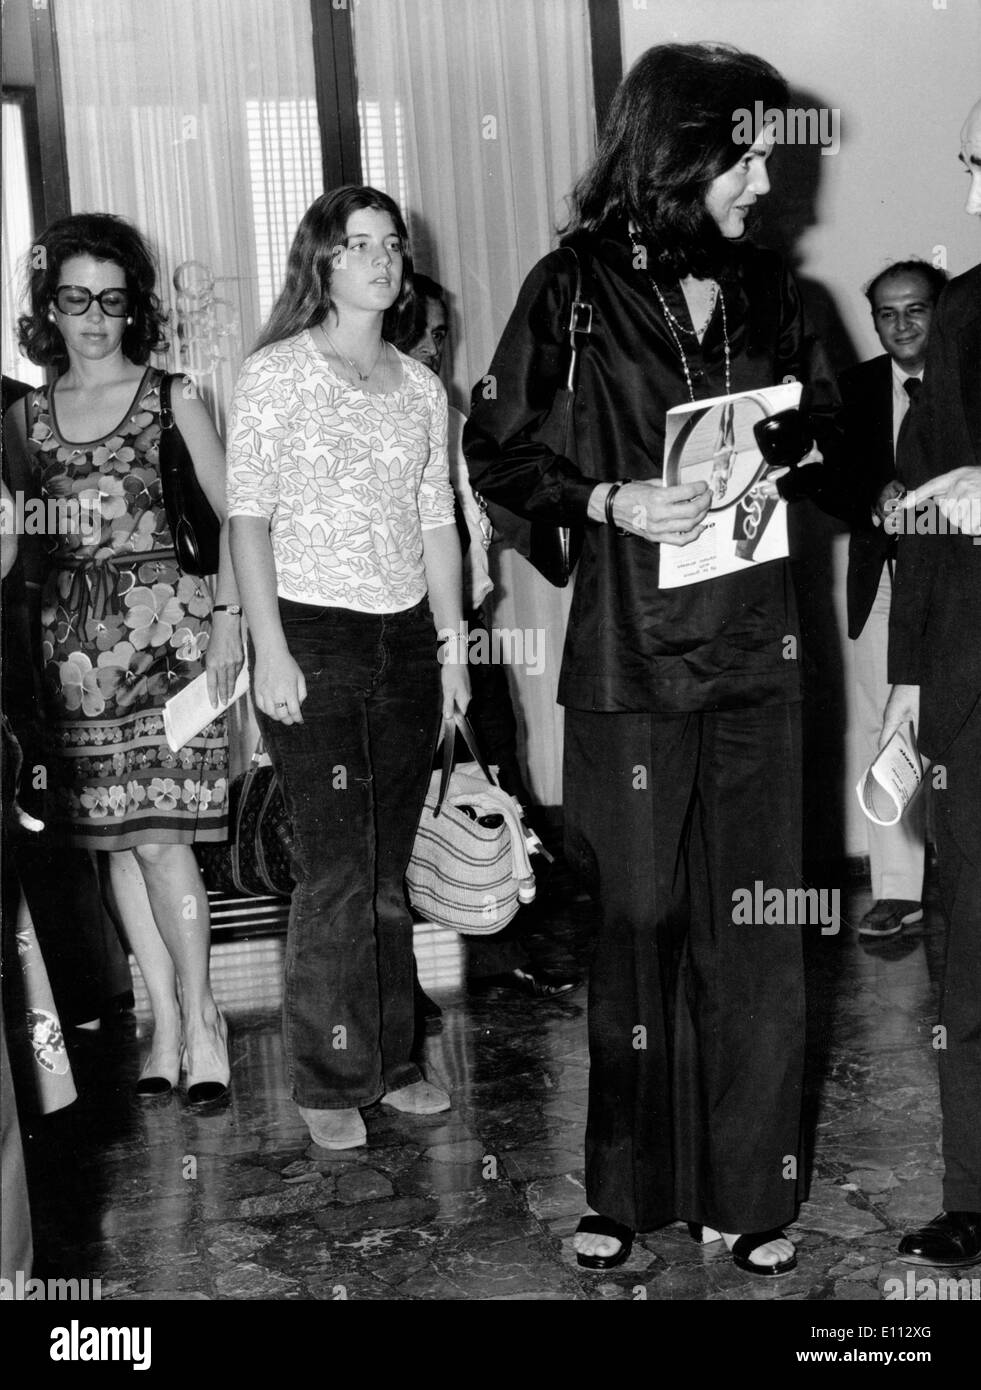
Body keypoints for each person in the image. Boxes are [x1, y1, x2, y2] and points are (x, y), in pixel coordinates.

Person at [466, 42, 843, 1276]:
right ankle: (625, 1192)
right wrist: (613, 500)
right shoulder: (572, 284)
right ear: (681, 152)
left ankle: (751, 1196)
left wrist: (786, 452)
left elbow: (837, 431)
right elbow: (504, 454)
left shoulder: (779, 295)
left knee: (755, 929)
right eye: (745, 157)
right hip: (630, 655)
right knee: (636, 920)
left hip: (756, 655)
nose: (764, 184)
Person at [226, 187, 469, 1152]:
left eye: (390, 244)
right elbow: (247, 517)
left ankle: (396, 1061)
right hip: (312, 637)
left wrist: (453, 650)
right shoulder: (277, 374)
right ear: (321, 263)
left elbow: (437, 522)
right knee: (335, 870)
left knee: (386, 872)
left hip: (405, 638)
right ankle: (331, 1078)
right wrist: (269, 646)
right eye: (356, 245)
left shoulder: (420, 388)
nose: (379, 259)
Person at [6, 213, 241, 1103]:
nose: (96, 318)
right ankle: (166, 1023)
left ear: (130, 306)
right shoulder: (25, 418)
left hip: (172, 644)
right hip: (72, 660)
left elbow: (238, 519)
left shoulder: (171, 395)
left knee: (161, 840)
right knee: (116, 846)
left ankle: (205, 1015)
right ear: (50, 309)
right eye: (76, 300)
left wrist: (228, 619)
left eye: (111, 299)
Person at [395, 274, 579, 1001]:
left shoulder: (448, 410)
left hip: (466, 630)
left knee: (495, 776)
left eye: (442, 334)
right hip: (397, 634)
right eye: (424, 331)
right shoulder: (378, 408)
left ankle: (506, 951)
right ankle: (397, 988)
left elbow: (480, 519)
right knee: (406, 800)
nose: (436, 348)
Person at [880, 97, 981, 1268]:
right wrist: (906, 694)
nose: (966, 200)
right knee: (970, 945)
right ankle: (974, 1188)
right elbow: (918, 515)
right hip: (967, 690)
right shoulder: (960, 315)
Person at [839, 261, 948, 939]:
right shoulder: (850, 391)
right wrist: (867, 495)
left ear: (943, 312)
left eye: (916, 310)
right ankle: (896, 890)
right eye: (886, 313)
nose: (901, 325)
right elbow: (824, 482)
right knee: (885, 729)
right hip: (882, 583)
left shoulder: (969, 380)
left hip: (960, 581)